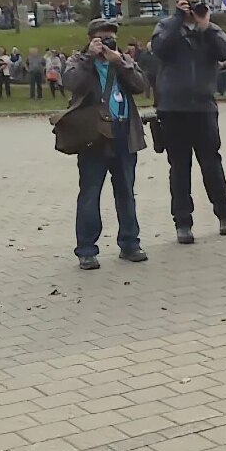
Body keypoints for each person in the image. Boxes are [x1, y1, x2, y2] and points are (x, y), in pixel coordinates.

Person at [150, 0, 226, 244]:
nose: (196, 6)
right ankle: (183, 223)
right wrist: (178, 19)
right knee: (179, 167)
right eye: (190, 2)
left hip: (203, 108)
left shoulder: (209, 29)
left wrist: (206, 26)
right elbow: (161, 49)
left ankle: (224, 214)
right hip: (173, 109)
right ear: (179, 3)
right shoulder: (166, 26)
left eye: (198, 1)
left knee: (212, 164)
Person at [62, 20, 149, 270]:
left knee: (126, 192)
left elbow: (141, 85)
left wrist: (119, 61)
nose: (107, 43)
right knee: (90, 192)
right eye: (102, 38)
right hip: (94, 136)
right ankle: (87, 249)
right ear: (91, 39)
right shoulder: (79, 61)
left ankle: (130, 243)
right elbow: (71, 83)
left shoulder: (121, 60)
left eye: (111, 38)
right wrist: (90, 57)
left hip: (123, 133)